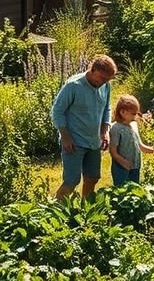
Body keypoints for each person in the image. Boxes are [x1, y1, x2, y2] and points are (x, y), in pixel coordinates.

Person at [50, 54, 117, 199]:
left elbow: (107, 108)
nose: (104, 82)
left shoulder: (105, 86)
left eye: (108, 80)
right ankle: (56, 212)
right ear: (93, 70)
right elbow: (57, 111)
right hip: (74, 142)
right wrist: (66, 138)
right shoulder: (73, 86)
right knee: (71, 181)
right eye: (103, 78)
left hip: (94, 142)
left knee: (92, 177)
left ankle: (86, 209)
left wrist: (105, 130)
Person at [108, 94, 154, 185]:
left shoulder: (133, 126)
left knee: (134, 190)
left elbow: (140, 145)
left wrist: (152, 150)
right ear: (122, 112)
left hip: (135, 165)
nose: (136, 116)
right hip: (121, 167)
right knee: (121, 191)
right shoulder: (116, 128)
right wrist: (123, 162)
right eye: (133, 113)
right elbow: (113, 151)